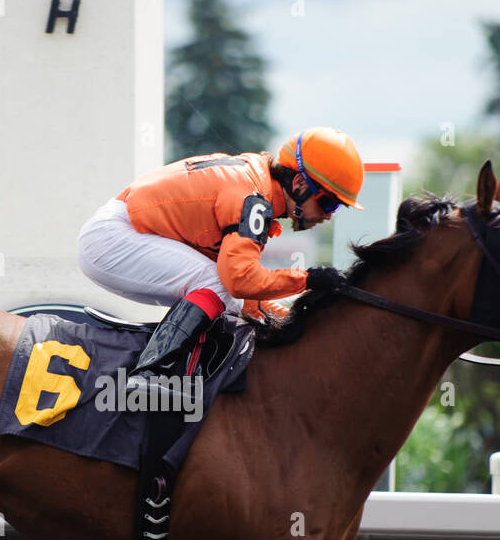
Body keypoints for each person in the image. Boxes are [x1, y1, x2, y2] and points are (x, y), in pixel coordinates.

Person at [77, 127, 363, 384]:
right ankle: (151, 374)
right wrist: (309, 278)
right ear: (299, 184)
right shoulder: (254, 199)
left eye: (337, 208)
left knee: (223, 291)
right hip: (113, 237)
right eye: (328, 203)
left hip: (121, 230)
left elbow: (247, 299)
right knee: (215, 283)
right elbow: (240, 280)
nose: (328, 215)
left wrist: (293, 321)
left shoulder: (257, 185)